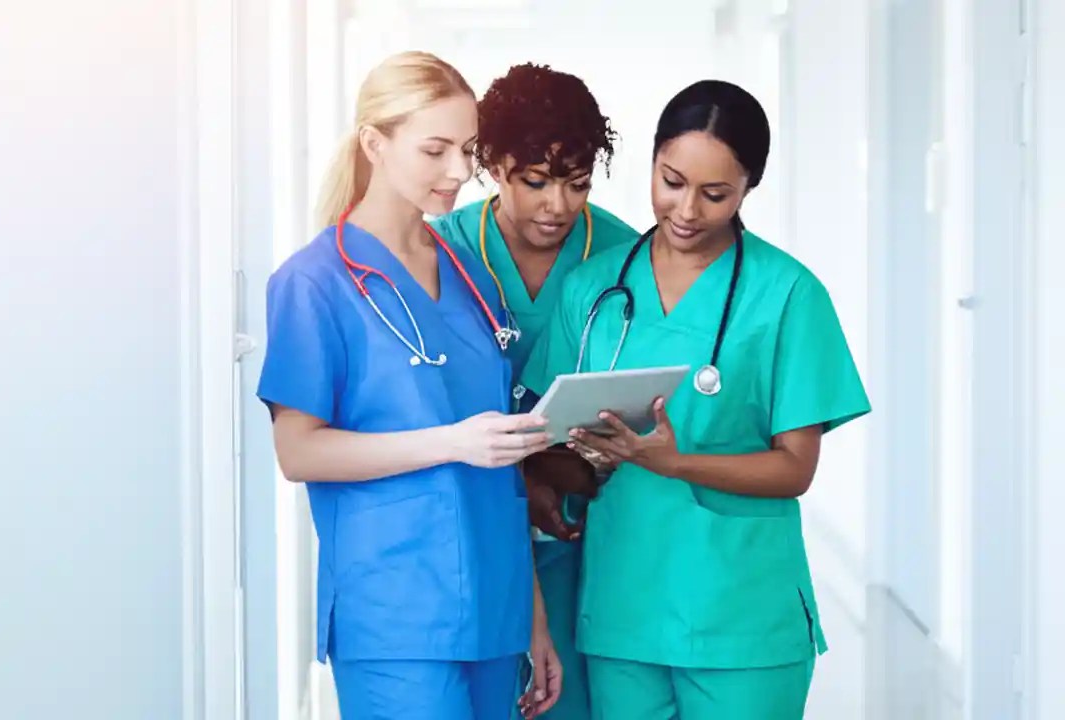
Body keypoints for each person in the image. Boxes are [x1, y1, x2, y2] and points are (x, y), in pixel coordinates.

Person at [519, 79, 872, 719]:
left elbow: (795, 467)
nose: (686, 210)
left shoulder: (788, 294)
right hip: (624, 609)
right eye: (670, 181)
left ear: (747, 189)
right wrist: (544, 476)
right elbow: (549, 429)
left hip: (742, 619)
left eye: (715, 195)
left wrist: (674, 462)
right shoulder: (594, 289)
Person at [255, 51, 563, 720]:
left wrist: (533, 618)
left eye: (468, 149)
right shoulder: (314, 283)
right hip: (393, 613)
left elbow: (502, 463)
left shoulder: (471, 275)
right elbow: (299, 452)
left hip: (494, 602)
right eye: (435, 149)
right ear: (374, 143)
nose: (459, 171)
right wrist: (451, 442)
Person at [431, 62, 639, 720]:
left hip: (583, 522)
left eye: (576, 184)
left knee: (572, 698)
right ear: (491, 164)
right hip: (478, 515)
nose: (557, 206)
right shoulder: (444, 249)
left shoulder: (623, 255)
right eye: (536, 181)